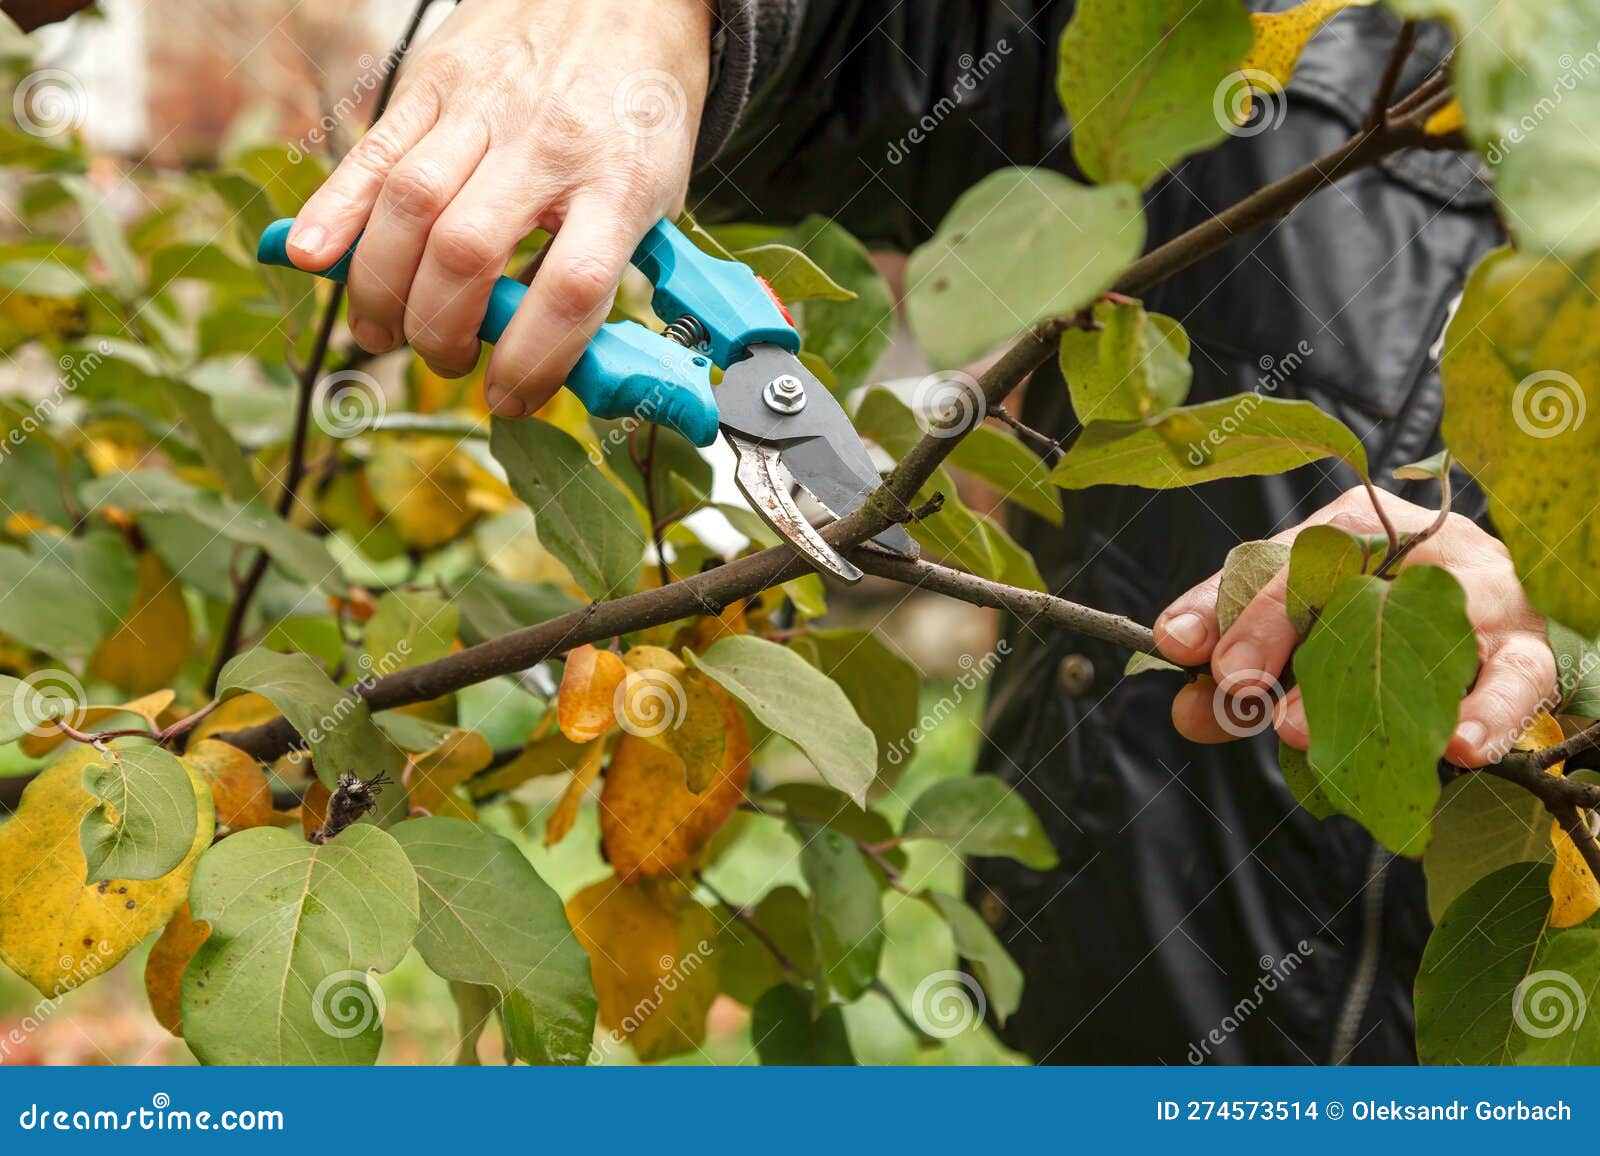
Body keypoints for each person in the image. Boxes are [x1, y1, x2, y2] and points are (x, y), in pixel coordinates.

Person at [290, 0, 1553, 1063]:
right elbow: (882, 43)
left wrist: (1565, 620)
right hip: (1119, 1021)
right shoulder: (1232, 42)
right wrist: (664, 20)